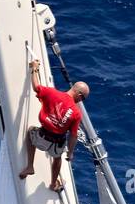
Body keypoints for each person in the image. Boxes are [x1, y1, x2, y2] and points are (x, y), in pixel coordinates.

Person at [19, 61, 90, 191]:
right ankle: (53, 184)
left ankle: (30, 166)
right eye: (83, 98)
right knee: (57, 160)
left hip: (40, 137)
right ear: (79, 95)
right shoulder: (76, 113)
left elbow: (36, 86)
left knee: (30, 131)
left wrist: (34, 69)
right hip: (56, 146)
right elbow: (73, 136)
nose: (82, 101)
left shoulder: (52, 93)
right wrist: (71, 153)